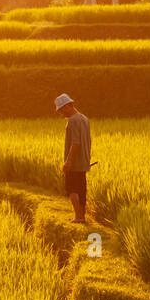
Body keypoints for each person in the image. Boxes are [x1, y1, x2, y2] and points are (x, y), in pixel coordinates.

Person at [54, 93, 91, 224]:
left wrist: (68, 161)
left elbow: (75, 143)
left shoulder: (73, 121)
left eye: (61, 110)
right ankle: (82, 216)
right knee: (81, 189)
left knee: (71, 188)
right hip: (84, 161)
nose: (61, 113)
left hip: (74, 162)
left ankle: (78, 216)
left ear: (68, 106)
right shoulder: (84, 119)